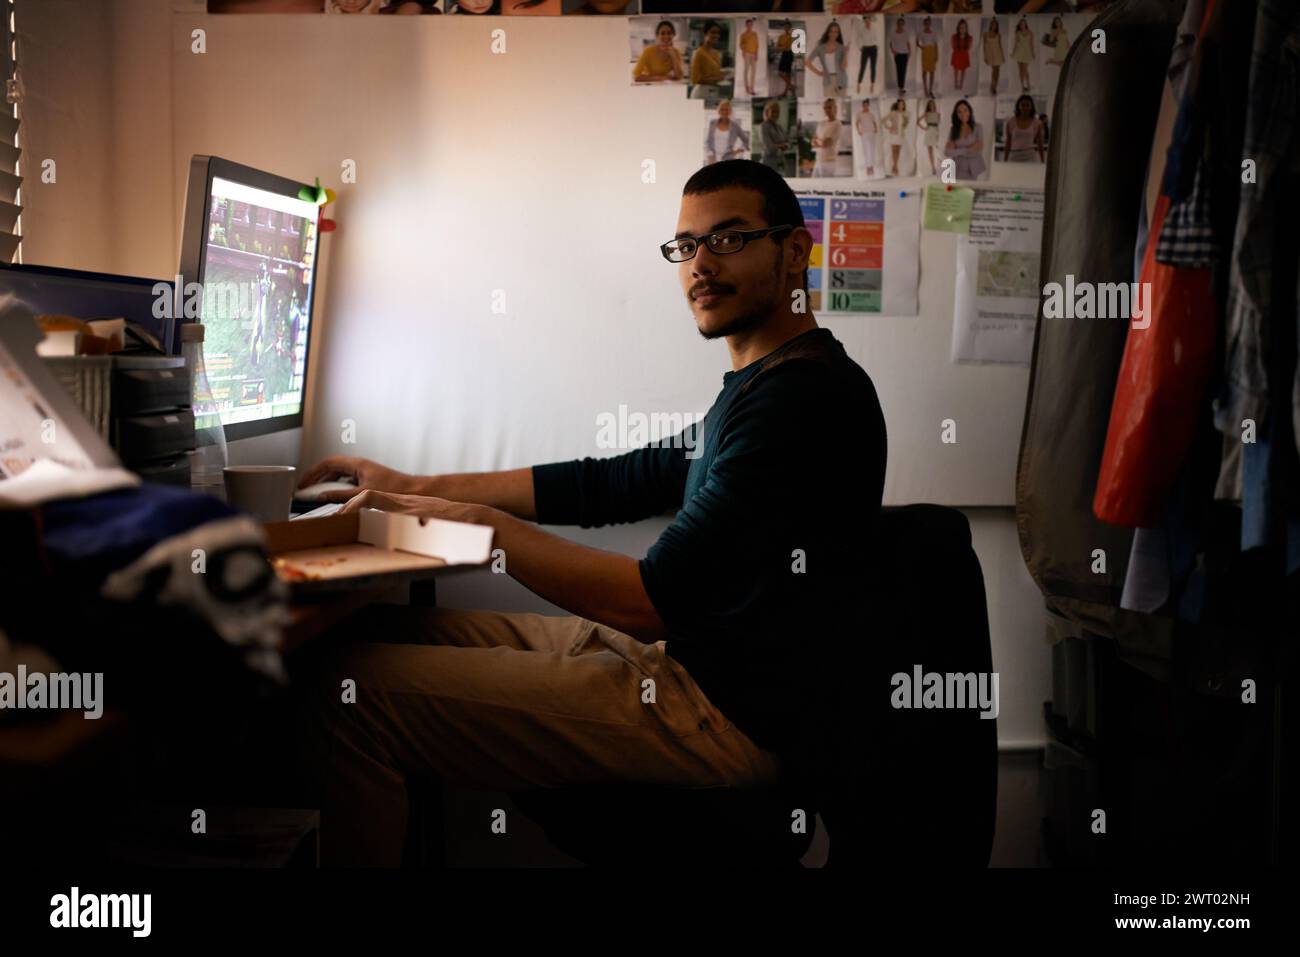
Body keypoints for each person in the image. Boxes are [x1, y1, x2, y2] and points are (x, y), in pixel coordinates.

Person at [297, 160, 888, 867]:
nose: (700, 264)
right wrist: (413, 483)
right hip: (685, 671)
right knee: (375, 633)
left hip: (721, 716)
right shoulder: (762, 384)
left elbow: (647, 601)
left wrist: (456, 525)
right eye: (685, 246)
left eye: (728, 240)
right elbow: (610, 483)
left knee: (353, 695)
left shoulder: (801, 402)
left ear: (794, 250)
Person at [944, 98, 985, 179]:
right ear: (956, 114)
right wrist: (969, 148)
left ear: (969, 111)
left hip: (975, 170)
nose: (963, 114)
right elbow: (947, 152)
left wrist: (957, 149)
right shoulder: (953, 130)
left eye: (965, 110)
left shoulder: (978, 127)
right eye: (959, 112)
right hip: (957, 170)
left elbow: (978, 150)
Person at [807, 20, 849, 99]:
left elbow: (844, 67)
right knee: (829, 102)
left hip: (841, 80)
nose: (833, 34)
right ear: (828, 32)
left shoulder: (841, 47)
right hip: (828, 81)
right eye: (831, 31)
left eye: (836, 32)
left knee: (842, 102)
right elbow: (808, 62)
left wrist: (846, 53)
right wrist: (819, 73)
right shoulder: (820, 48)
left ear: (838, 34)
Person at [704, 99, 751, 165]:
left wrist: (737, 151)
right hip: (712, 159)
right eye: (722, 109)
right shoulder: (712, 123)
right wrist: (710, 154)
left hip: (728, 158)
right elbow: (708, 141)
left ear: (730, 111)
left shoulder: (735, 126)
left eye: (727, 109)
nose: (724, 111)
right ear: (718, 111)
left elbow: (746, 141)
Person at [1002, 94, 1045, 162]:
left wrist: (1043, 161)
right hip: (1014, 156)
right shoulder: (1011, 122)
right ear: (1018, 106)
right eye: (1022, 105)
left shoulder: (1037, 123)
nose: (1025, 108)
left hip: (1030, 156)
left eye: (1027, 105)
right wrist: (1005, 160)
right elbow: (1008, 143)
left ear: (1031, 107)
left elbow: (1040, 144)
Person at [690, 21, 727, 99]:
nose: (716, 35)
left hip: (713, 92)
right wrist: (718, 78)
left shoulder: (716, 53)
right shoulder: (699, 53)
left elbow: (713, 73)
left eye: (718, 33)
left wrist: (725, 74)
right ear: (705, 33)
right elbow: (695, 79)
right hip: (701, 93)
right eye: (713, 32)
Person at [812, 98, 844, 177]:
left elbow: (826, 143)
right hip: (818, 160)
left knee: (825, 187)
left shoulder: (837, 124)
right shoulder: (821, 123)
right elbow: (812, 142)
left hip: (829, 163)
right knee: (813, 185)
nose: (827, 110)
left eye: (829, 107)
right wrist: (820, 142)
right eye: (825, 108)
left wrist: (818, 141)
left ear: (835, 108)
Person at [759, 98, 792, 172]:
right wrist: (783, 145)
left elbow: (789, 142)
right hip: (768, 163)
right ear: (767, 112)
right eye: (773, 111)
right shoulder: (763, 126)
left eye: (777, 112)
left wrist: (784, 145)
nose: (775, 114)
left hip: (780, 162)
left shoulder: (779, 127)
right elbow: (769, 148)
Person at [881, 96, 909, 175]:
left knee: (898, 151)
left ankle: (895, 166)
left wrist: (904, 126)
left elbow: (906, 123)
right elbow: (883, 120)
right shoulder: (893, 113)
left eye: (902, 104)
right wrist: (889, 127)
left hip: (901, 134)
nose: (901, 106)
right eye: (900, 104)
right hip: (894, 134)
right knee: (894, 150)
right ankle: (895, 167)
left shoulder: (905, 114)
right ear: (897, 105)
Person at [915, 15, 939, 98]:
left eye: (929, 23)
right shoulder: (921, 33)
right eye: (926, 23)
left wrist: (937, 55)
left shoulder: (933, 33)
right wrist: (921, 47)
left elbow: (936, 44)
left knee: (932, 72)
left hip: (932, 51)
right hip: (925, 52)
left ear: (930, 24)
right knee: (924, 72)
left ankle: (930, 89)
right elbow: (917, 42)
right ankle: (925, 89)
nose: (928, 24)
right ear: (924, 23)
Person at [855, 99, 879, 177]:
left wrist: (876, 128)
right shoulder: (859, 114)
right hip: (864, 133)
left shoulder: (871, 114)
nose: (865, 106)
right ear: (862, 105)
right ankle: (868, 167)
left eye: (867, 105)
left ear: (868, 105)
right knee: (866, 150)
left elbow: (874, 122)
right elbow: (857, 122)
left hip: (871, 133)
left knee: (871, 150)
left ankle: (871, 167)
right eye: (864, 105)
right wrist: (858, 130)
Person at [1011, 15, 1035, 92]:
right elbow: (1016, 43)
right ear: (1019, 25)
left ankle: (1028, 85)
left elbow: (1031, 43)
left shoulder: (1030, 32)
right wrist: (1013, 52)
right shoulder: (1017, 32)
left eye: (1023, 23)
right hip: (1019, 52)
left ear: (1025, 24)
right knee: (1020, 70)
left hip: (1027, 52)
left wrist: (1033, 53)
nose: (1022, 25)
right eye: (1021, 24)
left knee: (1025, 70)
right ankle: (1022, 86)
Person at [918, 97, 941, 175]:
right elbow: (918, 121)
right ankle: (933, 168)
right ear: (928, 106)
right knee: (930, 151)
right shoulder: (926, 113)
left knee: (938, 148)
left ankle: (939, 166)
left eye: (933, 104)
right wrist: (924, 128)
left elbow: (938, 124)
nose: (932, 106)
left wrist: (938, 133)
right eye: (930, 105)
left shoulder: (938, 114)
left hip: (935, 131)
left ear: (934, 105)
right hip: (929, 131)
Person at [856, 15, 878, 94]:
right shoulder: (861, 29)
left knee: (873, 67)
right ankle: (858, 84)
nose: (867, 21)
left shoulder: (874, 27)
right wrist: (860, 47)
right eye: (865, 20)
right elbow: (858, 39)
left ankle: (872, 84)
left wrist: (876, 46)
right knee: (862, 67)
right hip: (865, 48)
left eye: (868, 19)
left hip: (873, 48)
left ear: (870, 19)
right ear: (864, 20)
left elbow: (877, 37)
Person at [888, 16, 910, 94]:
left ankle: (902, 88)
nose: (900, 25)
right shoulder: (893, 33)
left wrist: (909, 52)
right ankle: (900, 87)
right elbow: (890, 43)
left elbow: (907, 43)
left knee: (903, 71)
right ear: (897, 24)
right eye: (899, 23)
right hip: (897, 55)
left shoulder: (906, 32)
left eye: (902, 24)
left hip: (905, 54)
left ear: (903, 24)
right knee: (898, 71)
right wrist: (893, 51)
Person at [949, 17, 972, 92]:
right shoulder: (954, 37)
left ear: (966, 28)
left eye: (964, 27)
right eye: (961, 27)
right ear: (958, 28)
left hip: (964, 55)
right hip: (956, 54)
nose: (962, 29)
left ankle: (961, 84)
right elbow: (953, 46)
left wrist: (963, 50)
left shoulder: (969, 37)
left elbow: (969, 47)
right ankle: (956, 83)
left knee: (963, 70)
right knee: (955, 70)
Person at [983, 16, 1004, 95]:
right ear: (991, 25)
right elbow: (984, 46)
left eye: (995, 25)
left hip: (998, 53)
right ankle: (992, 86)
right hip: (990, 54)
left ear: (997, 26)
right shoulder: (986, 34)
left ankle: (994, 87)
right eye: (993, 24)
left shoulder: (998, 34)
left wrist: (1002, 55)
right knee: (994, 70)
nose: (994, 26)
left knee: (997, 71)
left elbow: (1000, 45)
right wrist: (985, 56)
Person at [775, 20, 796, 97]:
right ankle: (791, 86)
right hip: (784, 54)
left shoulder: (791, 36)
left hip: (789, 54)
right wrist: (781, 48)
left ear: (790, 27)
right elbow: (777, 48)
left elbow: (786, 47)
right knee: (780, 73)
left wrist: (780, 48)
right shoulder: (781, 37)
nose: (786, 28)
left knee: (788, 74)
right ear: (784, 27)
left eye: (788, 26)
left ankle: (785, 92)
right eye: (785, 26)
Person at [739, 18, 759, 96]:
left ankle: (752, 88)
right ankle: (746, 87)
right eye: (748, 24)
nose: (749, 26)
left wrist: (757, 54)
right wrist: (744, 51)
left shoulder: (755, 34)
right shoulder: (743, 35)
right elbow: (741, 44)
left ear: (752, 25)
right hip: (746, 53)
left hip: (754, 54)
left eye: (751, 24)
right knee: (746, 70)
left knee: (753, 71)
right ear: (746, 25)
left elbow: (757, 45)